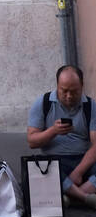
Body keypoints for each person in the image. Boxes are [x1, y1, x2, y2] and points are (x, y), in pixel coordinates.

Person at [27, 64, 96, 208]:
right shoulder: (43, 103)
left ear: (82, 86)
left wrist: (78, 172)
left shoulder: (91, 106)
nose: (69, 96)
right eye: (64, 91)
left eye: (74, 91)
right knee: (41, 168)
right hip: (54, 161)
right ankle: (84, 198)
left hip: (83, 160)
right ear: (57, 86)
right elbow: (32, 141)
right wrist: (53, 131)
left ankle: (67, 195)